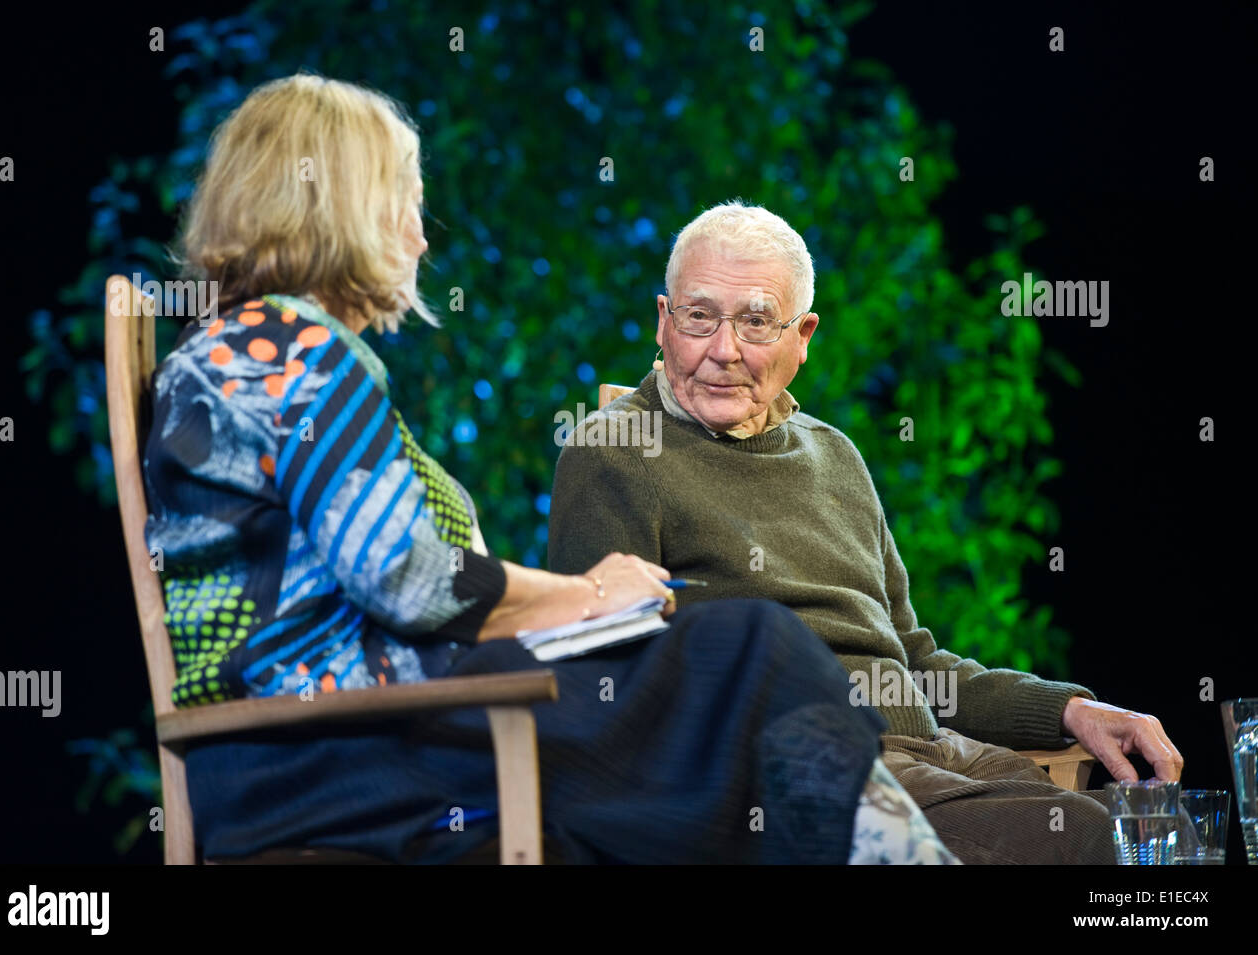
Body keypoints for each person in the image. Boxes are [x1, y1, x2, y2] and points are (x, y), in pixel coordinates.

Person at [142, 74, 957, 864]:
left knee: (717, 708)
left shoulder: (243, 354)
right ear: (338, 208)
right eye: (405, 205)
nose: (421, 237)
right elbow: (415, 580)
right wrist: (593, 592)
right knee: (752, 651)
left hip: (333, 746)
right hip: (334, 752)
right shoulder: (292, 353)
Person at [548, 200, 1185, 864]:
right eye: (699, 316)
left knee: (1157, 833)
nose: (723, 350)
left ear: (804, 336)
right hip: (801, 779)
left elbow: (917, 662)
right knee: (1089, 839)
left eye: (758, 321)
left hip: (933, 757)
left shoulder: (835, 457)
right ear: (662, 320)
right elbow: (607, 687)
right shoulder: (617, 451)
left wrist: (1066, 710)